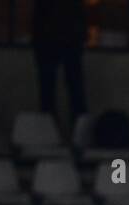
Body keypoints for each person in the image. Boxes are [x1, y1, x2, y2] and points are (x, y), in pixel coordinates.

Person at [32, 0, 88, 129]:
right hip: (65, 35)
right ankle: (77, 131)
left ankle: (51, 131)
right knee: (74, 88)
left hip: (51, 36)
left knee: (50, 90)